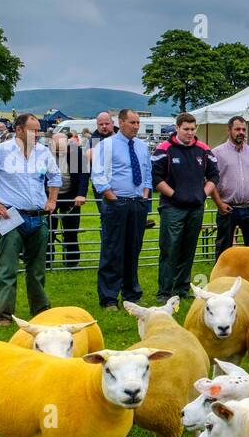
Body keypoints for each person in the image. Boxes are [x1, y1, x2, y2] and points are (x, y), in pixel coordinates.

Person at [0, 113, 61, 325]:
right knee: (7, 267)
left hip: (38, 216)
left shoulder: (43, 152)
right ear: (18, 130)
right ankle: (3, 315)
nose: (36, 134)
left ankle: (41, 311)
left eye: (38, 130)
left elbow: (55, 176)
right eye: (32, 130)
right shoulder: (2, 151)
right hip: (11, 215)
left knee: (37, 269)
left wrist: (52, 200)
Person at [89, 108, 151, 311]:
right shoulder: (107, 145)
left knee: (133, 249)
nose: (136, 126)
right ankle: (108, 298)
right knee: (113, 250)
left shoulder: (142, 146)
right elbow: (98, 174)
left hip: (137, 203)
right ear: (121, 122)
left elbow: (147, 173)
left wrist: (144, 195)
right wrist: (112, 198)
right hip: (116, 202)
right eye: (132, 122)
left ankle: (131, 294)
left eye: (138, 123)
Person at [153, 112, 218, 303]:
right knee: (170, 248)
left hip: (195, 207)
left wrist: (203, 194)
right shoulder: (164, 149)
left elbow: (214, 176)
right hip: (172, 207)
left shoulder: (204, 150)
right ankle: (164, 291)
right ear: (177, 128)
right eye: (186, 129)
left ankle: (182, 288)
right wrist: (175, 194)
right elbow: (156, 178)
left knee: (188, 248)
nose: (190, 133)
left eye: (193, 129)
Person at [211, 116, 249, 258]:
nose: (241, 132)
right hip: (227, 208)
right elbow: (211, 181)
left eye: (243, 129)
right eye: (237, 129)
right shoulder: (217, 153)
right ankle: (221, 278)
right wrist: (219, 203)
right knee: (224, 249)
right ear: (229, 130)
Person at [50, 131, 88, 268]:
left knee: (71, 230)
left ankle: (71, 262)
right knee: (48, 230)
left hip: (70, 195)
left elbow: (84, 175)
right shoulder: (44, 154)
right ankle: (47, 262)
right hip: (49, 196)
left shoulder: (76, 153)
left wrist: (81, 194)